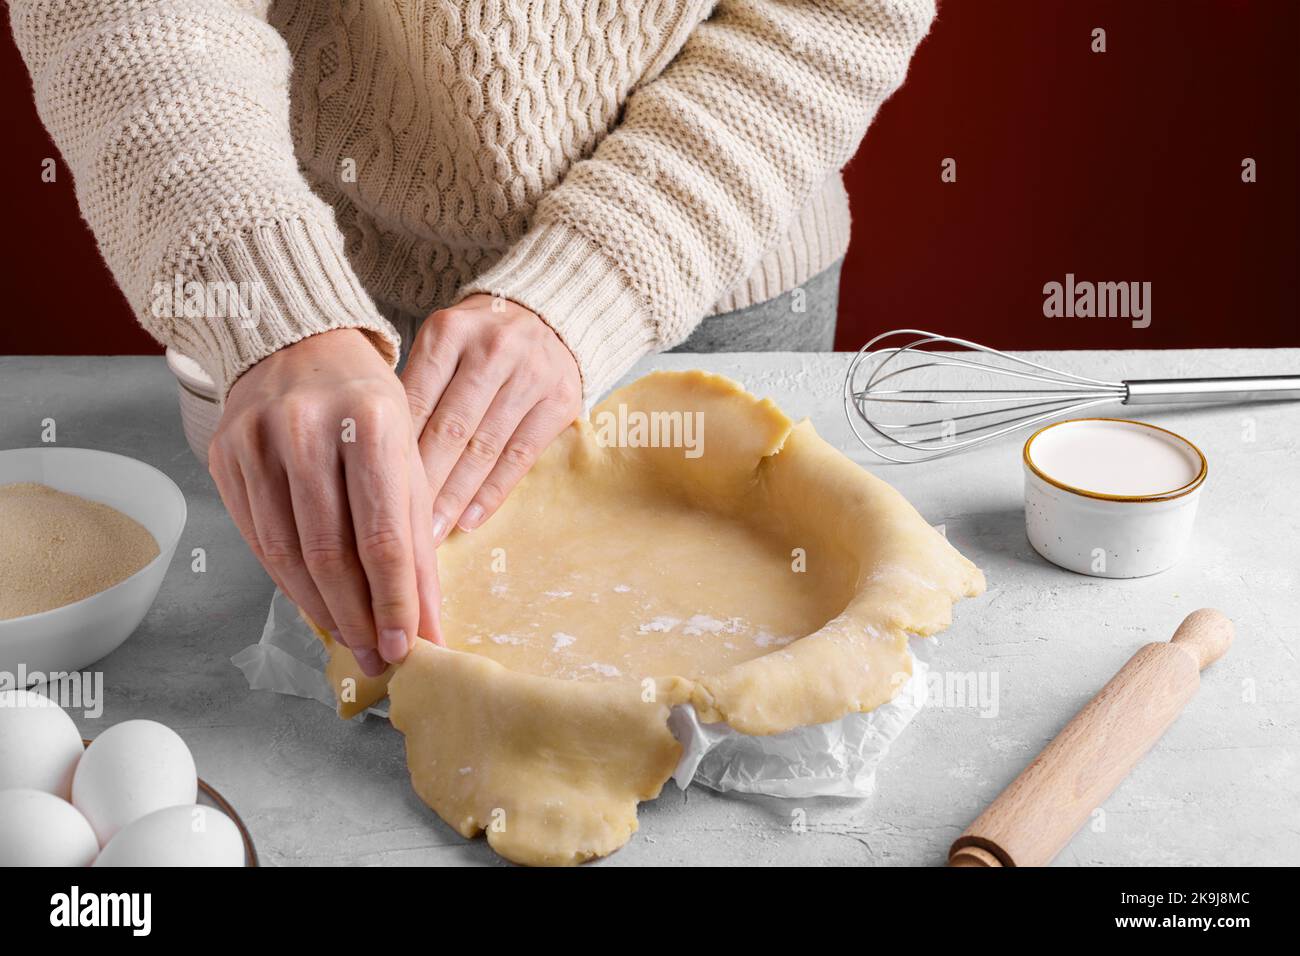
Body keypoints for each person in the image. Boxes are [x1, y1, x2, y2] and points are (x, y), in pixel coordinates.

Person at [11, 0, 935, 676]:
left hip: (705, 262)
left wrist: (597, 274)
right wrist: (277, 312)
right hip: (328, 318)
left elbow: (838, 13)